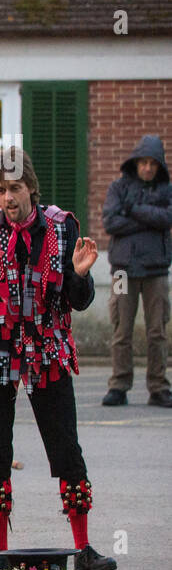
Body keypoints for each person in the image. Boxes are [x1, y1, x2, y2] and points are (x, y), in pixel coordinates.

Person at [0, 146, 117, 570]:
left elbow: (77, 301)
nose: (7, 198)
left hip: (47, 348)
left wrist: (80, 273)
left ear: (31, 187)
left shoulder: (61, 226)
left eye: (15, 188)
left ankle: (84, 548)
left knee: (66, 448)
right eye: (0, 190)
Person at [101, 135, 171, 408]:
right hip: (122, 270)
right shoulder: (118, 188)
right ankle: (119, 385)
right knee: (121, 329)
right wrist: (149, 220)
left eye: (153, 164)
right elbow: (110, 222)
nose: (148, 168)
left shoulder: (166, 189)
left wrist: (133, 211)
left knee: (157, 331)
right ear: (135, 163)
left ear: (159, 166)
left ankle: (159, 387)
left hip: (157, 271)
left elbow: (168, 218)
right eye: (143, 163)